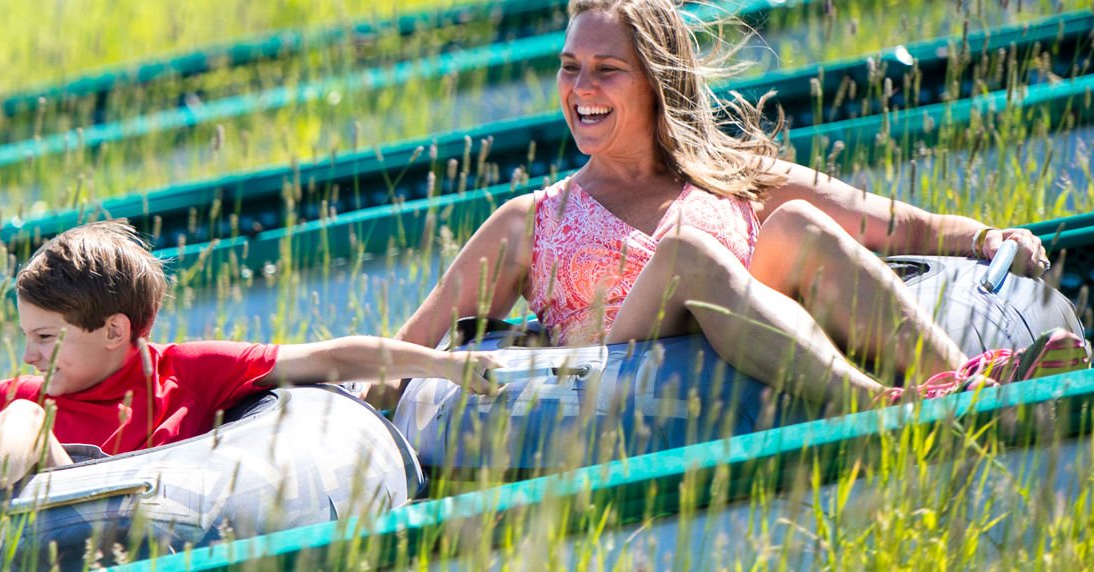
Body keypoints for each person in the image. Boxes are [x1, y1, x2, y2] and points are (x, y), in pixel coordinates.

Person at [396, 0, 1090, 407]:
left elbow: (891, 221)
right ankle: (880, 406)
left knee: (790, 225)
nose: (581, 88)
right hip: (612, 384)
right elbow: (411, 345)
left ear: (655, 84)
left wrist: (984, 236)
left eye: (606, 71)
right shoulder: (531, 221)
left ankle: (958, 383)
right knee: (689, 255)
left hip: (733, 357)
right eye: (570, 68)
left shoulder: (729, 175)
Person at [0, 219, 504, 571]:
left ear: (118, 332)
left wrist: (443, 368)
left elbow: (334, 355)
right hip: (14, 489)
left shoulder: (187, 370)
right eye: (26, 336)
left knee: (22, 413)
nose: (30, 353)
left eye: (47, 339)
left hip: (86, 484)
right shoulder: (34, 378)